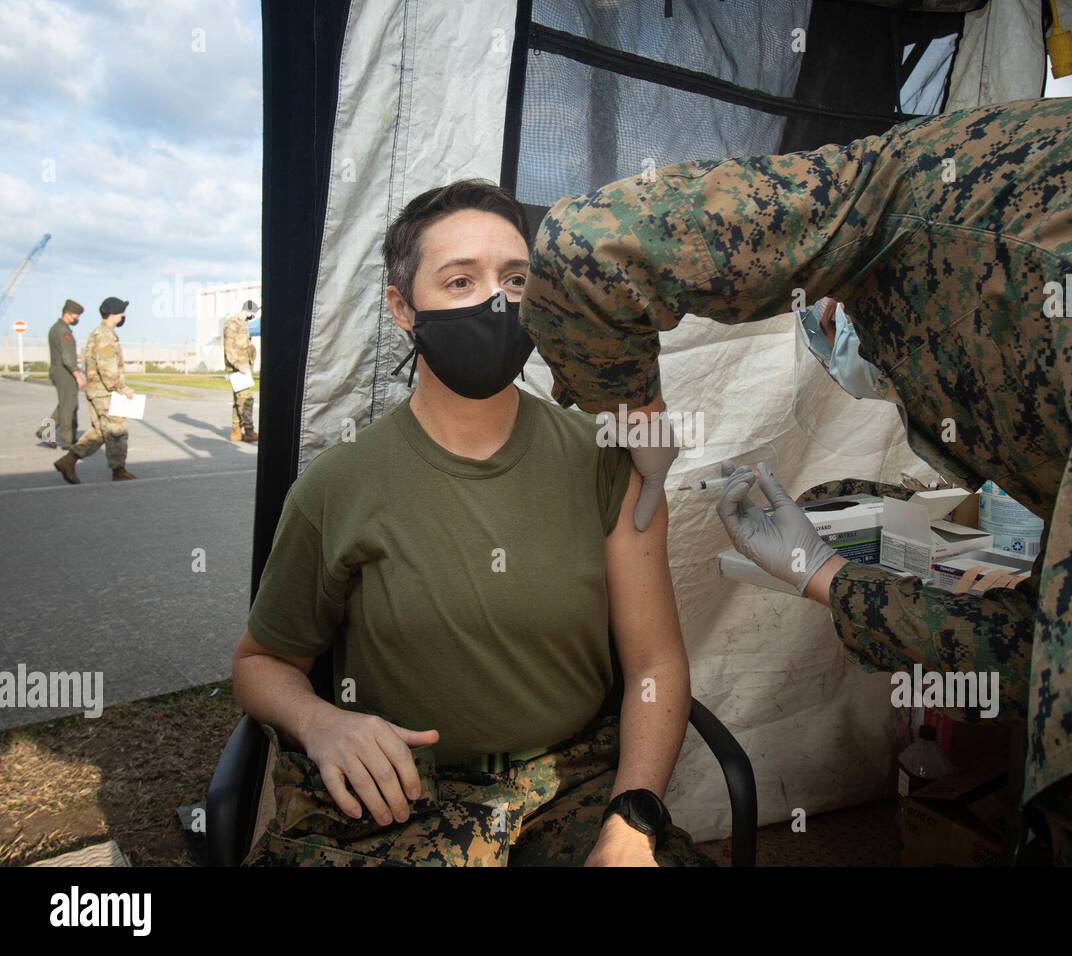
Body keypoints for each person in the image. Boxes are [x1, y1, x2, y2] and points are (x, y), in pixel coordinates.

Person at [519, 89, 1072, 864]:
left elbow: (588, 246)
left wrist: (639, 424)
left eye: (829, 329)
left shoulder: (894, 189)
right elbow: (1053, 642)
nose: (864, 369)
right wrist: (823, 573)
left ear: (826, 289)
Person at [231, 179, 710, 867]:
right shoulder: (338, 486)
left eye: (516, 279)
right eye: (460, 280)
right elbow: (260, 663)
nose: (495, 301)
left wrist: (633, 818)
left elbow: (655, 665)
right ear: (403, 307)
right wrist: (320, 721)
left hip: (570, 784)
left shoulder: (604, 461)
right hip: (400, 792)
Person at [54, 297, 136, 484]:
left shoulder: (99, 333)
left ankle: (68, 461)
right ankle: (119, 471)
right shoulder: (105, 335)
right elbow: (107, 369)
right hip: (105, 392)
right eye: (121, 312)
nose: (124, 315)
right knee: (117, 430)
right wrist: (123, 389)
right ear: (113, 314)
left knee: (99, 432)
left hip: (96, 390)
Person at [37, 299, 85, 449]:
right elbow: (67, 357)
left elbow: (64, 353)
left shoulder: (56, 328)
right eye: (76, 315)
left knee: (65, 404)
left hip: (59, 370)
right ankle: (67, 441)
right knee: (69, 407)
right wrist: (78, 376)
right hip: (64, 373)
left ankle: (45, 431)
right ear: (68, 313)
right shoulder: (63, 331)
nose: (78, 318)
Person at [223, 300, 259, 442]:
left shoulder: (243, 325)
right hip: (238, 369)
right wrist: (240, 366)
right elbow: (229, 349)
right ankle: (249, 431)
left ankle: (236, 431)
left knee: (239, 400)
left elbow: (244, 346)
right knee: (246, 400)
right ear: (248, 311)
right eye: (252, 314)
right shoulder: (232, 324)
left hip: (244, 367)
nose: (253, 317)